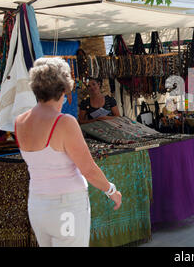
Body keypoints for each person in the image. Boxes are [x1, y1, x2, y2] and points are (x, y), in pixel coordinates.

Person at [14, 57, 122, 247]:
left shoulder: (20, 121)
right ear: (64, 89)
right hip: (66, 206)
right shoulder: (64, 122)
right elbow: (88, 169)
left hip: (38, 204)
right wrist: (111, 190)